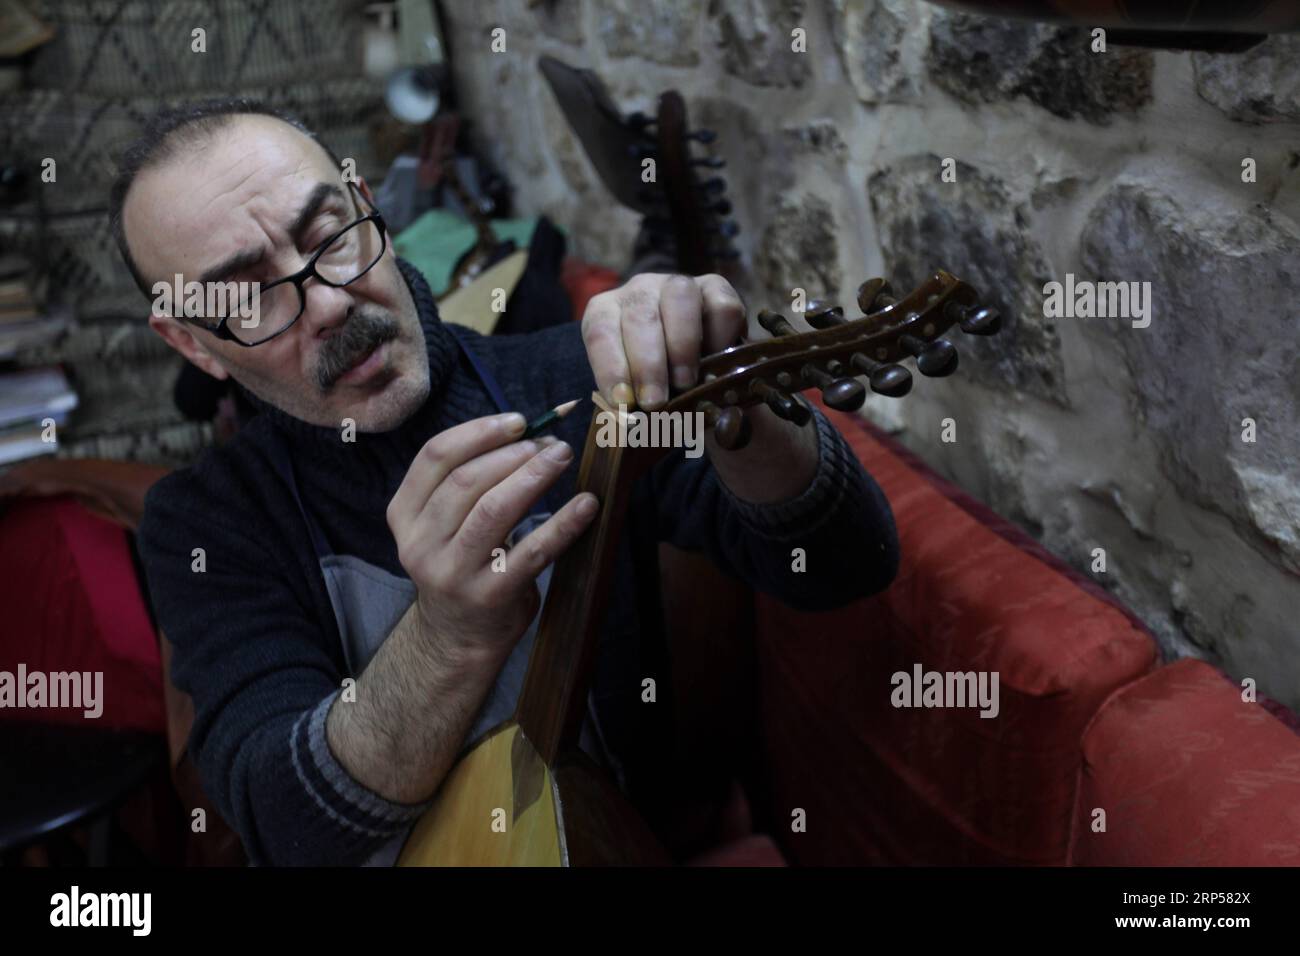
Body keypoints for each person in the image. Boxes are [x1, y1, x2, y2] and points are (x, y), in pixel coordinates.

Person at [108, 98, 900, 865]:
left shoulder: (578, 379)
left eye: (329, 234)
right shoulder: (205, 523)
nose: (328, 301)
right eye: (248, 295)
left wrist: (745, 407)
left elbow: (848, 562)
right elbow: (283, 826)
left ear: (367, 204)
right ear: (193, 345)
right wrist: (447, 635)